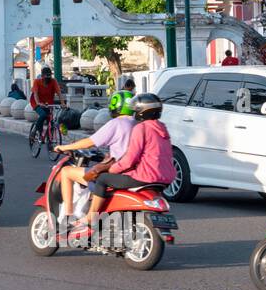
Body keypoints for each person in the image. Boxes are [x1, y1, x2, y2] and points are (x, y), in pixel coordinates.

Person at [74, 93, 174, 237]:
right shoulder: (162, 129)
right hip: (165, 179)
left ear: (142, 111)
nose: (134, 113)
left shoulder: (142, 128)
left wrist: (112, 169)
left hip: (145, 177)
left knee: (103, 180)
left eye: (136, 110)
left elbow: (129, 160)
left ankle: (91, 217)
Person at [52, 91, 136, 231]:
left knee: (67, 172)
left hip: (116, 172)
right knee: (92, 174)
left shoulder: (116, 123)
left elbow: (90, 142)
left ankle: (68, 216)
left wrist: (65, 147)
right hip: (133, 171)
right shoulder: (138, 124)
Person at [28, 66, 61, 140]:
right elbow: (35, 93)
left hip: (48, 103)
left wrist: (63, 103)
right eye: (46, 76)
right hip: (36, 102)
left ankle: (49, 139)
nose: (48, 78)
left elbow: (59, 93)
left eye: (49, 76)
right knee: (43, 115)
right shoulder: (37, 81)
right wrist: (38, 103)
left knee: (50, 119)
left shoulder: (53, 81)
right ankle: (35, 130)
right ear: (42, 76)